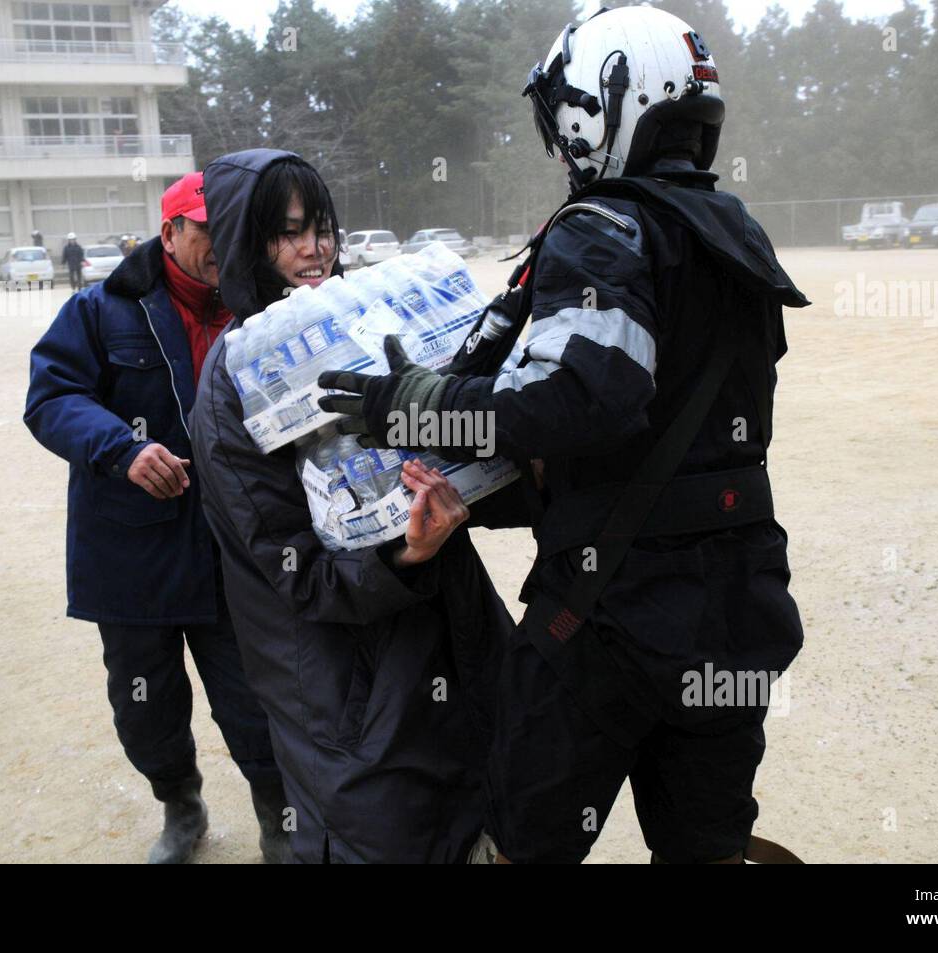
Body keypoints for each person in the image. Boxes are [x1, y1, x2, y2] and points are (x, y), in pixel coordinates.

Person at [318, 6, 809, 864]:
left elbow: (584, 395)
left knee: (525, 840)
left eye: (560, 127)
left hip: (612, 610)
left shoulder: (601, 228)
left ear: (596, 112)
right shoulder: (735, 234)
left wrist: (413, 405)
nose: (557, 152)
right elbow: (659, 427)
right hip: (739, 601)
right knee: (708, 842)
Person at [190, 149, 510, 863]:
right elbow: (288, 567)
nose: (314, 248)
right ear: (246, 241)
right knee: (381, 834)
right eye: (286, 230)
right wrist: (404, 556)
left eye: (322, 226)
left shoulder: (365, 319)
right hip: (347, 686)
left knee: (481, 813)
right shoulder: (234, 382)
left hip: (452, 632)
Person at [24, 173, 289, 864]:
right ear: (168, 232)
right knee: (145, 702)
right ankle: (181, 802)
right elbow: (52, 397)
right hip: (131, 551)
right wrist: (122, 447)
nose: (217, 244)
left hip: (232, 546)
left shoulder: (260, 307)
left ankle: (278, 813)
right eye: (203, 229)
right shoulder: (101, 309)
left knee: (256, 698)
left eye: (226, 229)